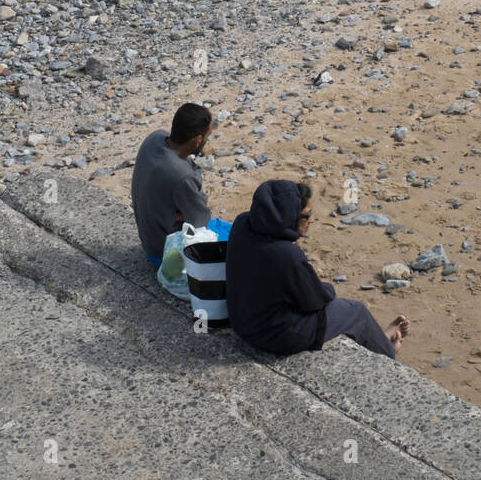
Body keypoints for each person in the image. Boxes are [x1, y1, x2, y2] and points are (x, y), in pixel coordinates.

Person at [226, 179, 410, 359]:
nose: (311, 219)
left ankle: (378, 339)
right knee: (356, 312)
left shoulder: (242, 224)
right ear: (289, 217)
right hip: (275, 336)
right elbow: (315, 301)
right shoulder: (287, 255)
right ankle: (388, 350)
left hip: (242, 322)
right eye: (307, 214)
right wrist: (328, 288)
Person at [131, 103, 213, 266]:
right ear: (197, 140)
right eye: (206, 136)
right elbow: (200, 220)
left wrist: (184, 211)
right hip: (164, 253)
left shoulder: (154, 138)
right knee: (235, 238)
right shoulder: (182, 176)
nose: (206, 141)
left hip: (148, 240)